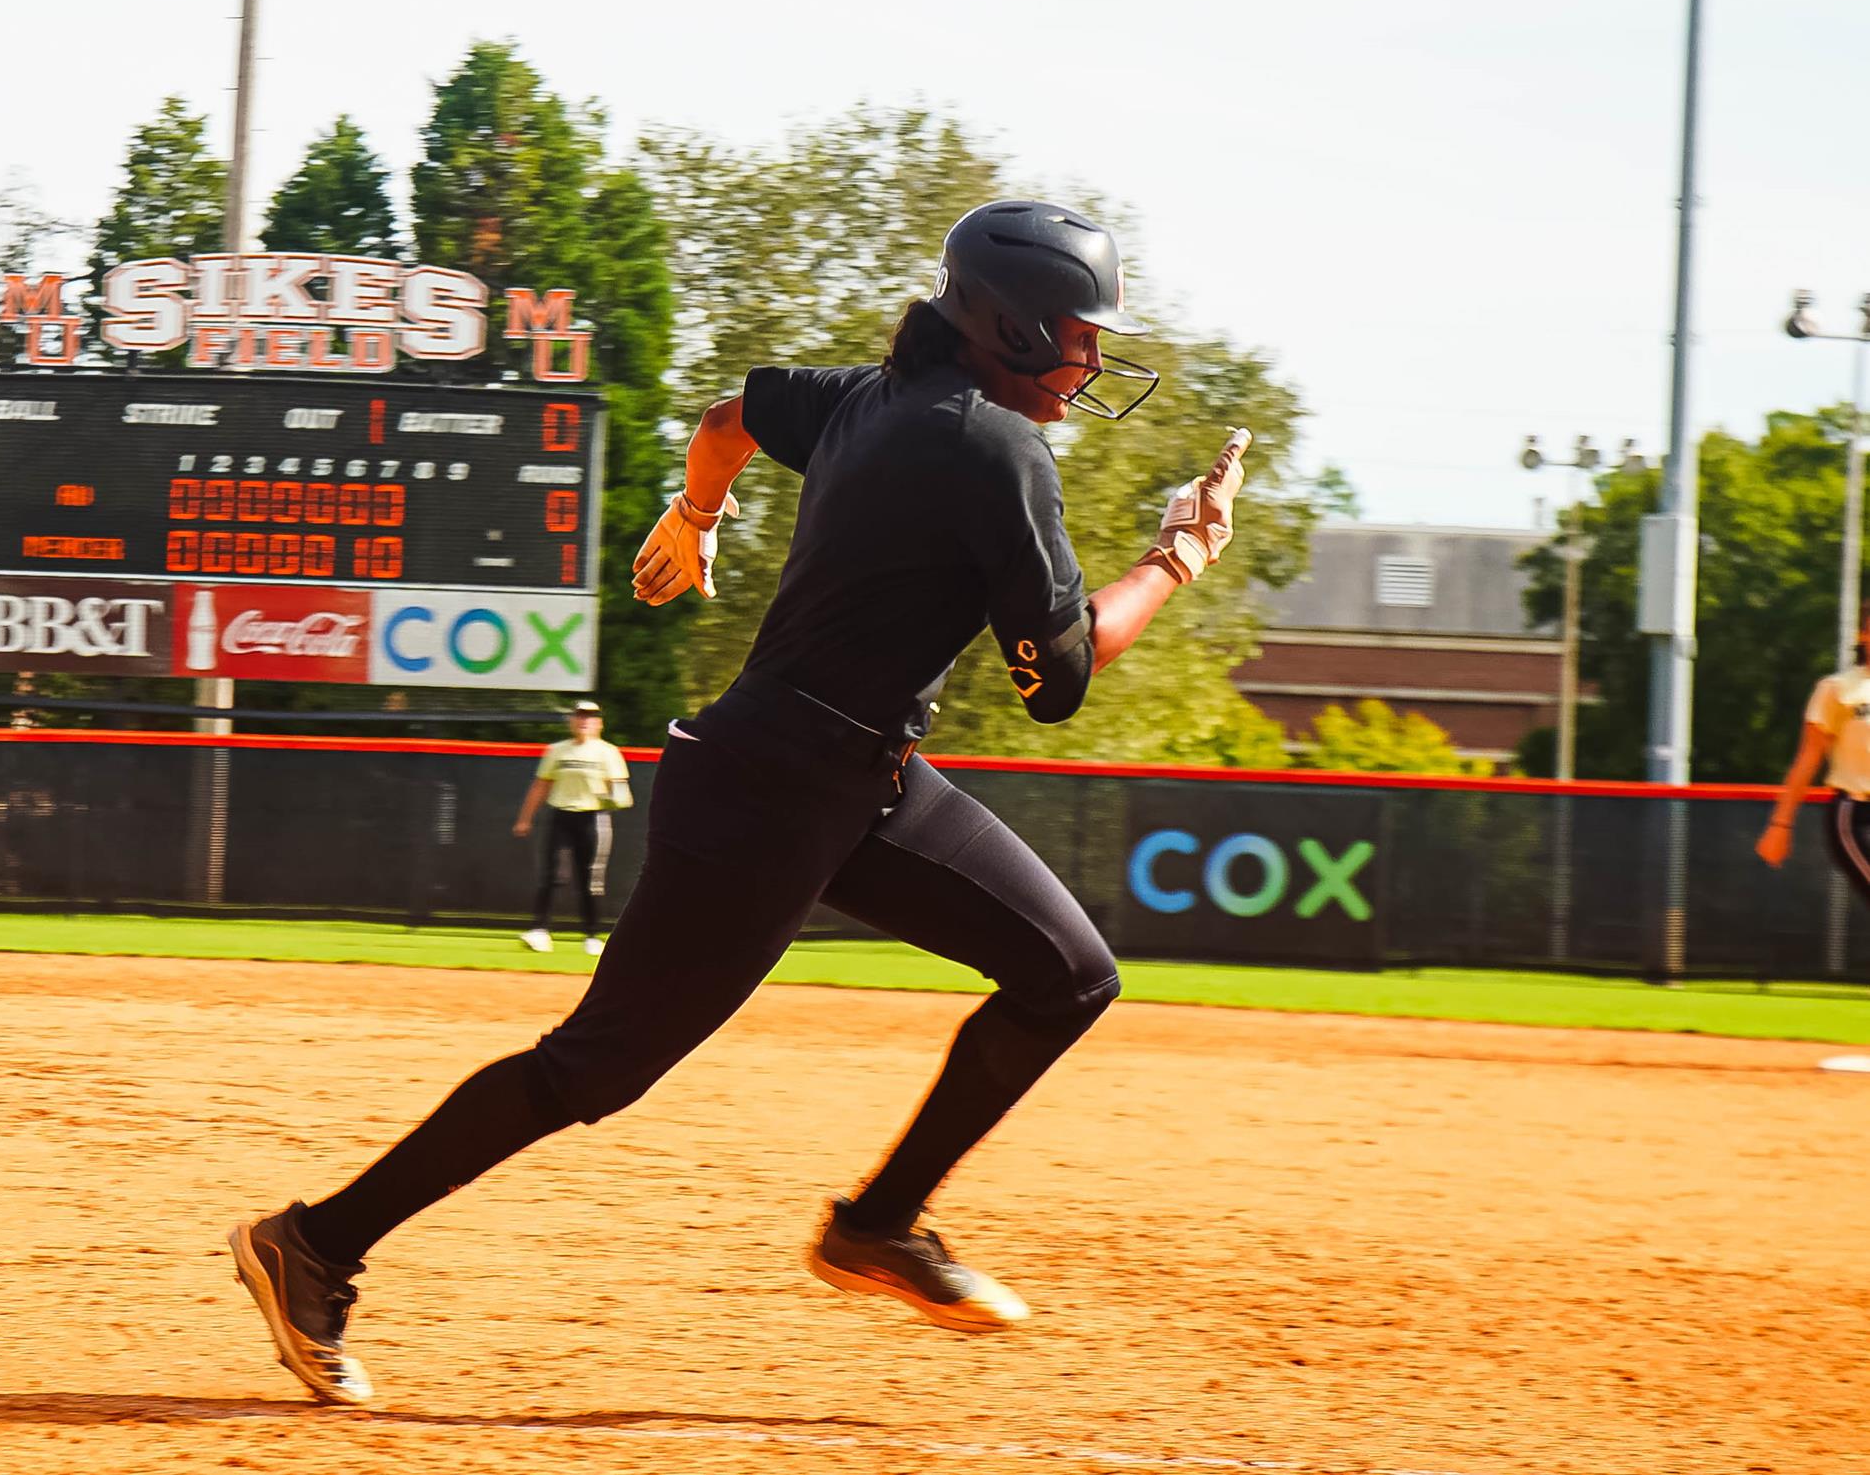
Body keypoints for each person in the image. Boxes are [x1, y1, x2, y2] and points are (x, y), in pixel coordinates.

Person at [229, 201, 1252, 1406]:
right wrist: (1175, 556)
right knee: (594, 1068)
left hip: (859, 781)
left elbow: (729, 419)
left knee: (1068, 975)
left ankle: (878, 1224)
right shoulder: (994, 448)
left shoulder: (873, 399)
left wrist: (696, 513)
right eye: (1080, 334)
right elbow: (1058, 679)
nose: (1091, 358)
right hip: (770, 791)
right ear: (1013, 330)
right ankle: (315, 1244)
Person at [1755, 605, 1870, 886]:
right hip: (1857, 813)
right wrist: (1780, 825)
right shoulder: (1838, 688)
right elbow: (1808, 757)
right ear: (1863, 635)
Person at [513, 699, 634, 957]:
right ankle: (539, 932)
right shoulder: (557, 751)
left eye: (590, 716)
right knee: (551, 874)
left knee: (591, 878)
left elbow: (621, 791)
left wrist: (615, 797)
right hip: (561, 815)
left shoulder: (608, 752)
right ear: (571, 720)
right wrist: (525, 818)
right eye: (579, 715)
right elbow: (541, 785)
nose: (584, 720)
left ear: (599, 723)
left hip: (593, 818)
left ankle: (592, 935)